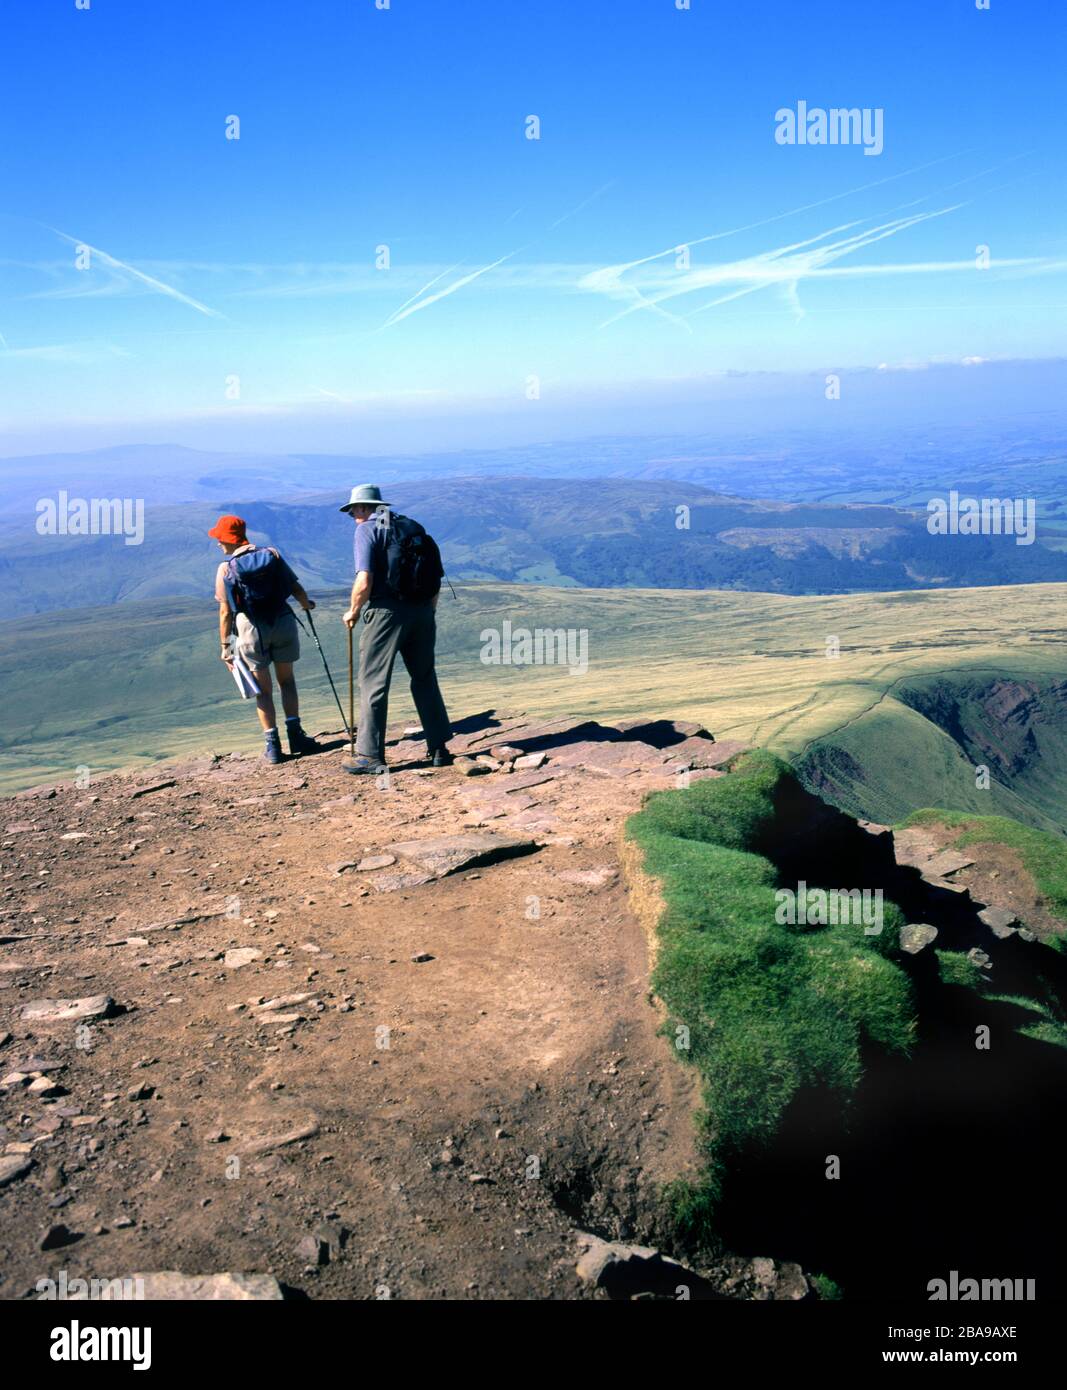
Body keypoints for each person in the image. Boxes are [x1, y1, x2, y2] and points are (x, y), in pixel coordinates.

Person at [339, 484, 453, 773]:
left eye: (353, 511)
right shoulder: (410, 526)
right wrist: (428, 612)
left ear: (364, 507)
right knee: (424, 677)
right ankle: (439, 748)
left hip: (386, 614)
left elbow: (364, 580)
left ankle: (369, 756)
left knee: (374, 682)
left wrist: (353, 611)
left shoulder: (367, 530)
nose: (354, 516)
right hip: (423, 610)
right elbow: (434, 575)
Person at [209, 514, 321, 764]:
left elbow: (226, 611)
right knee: (287, 681)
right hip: (283, 622)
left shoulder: (226, 569)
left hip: (250, 629)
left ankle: (273, 748)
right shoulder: (272, 555)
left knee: (263, 692)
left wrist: (225, 646)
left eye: (219, 538)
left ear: (229, 539)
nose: (218, 543)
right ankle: (296, 736)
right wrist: (306, 605)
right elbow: (295, 588)